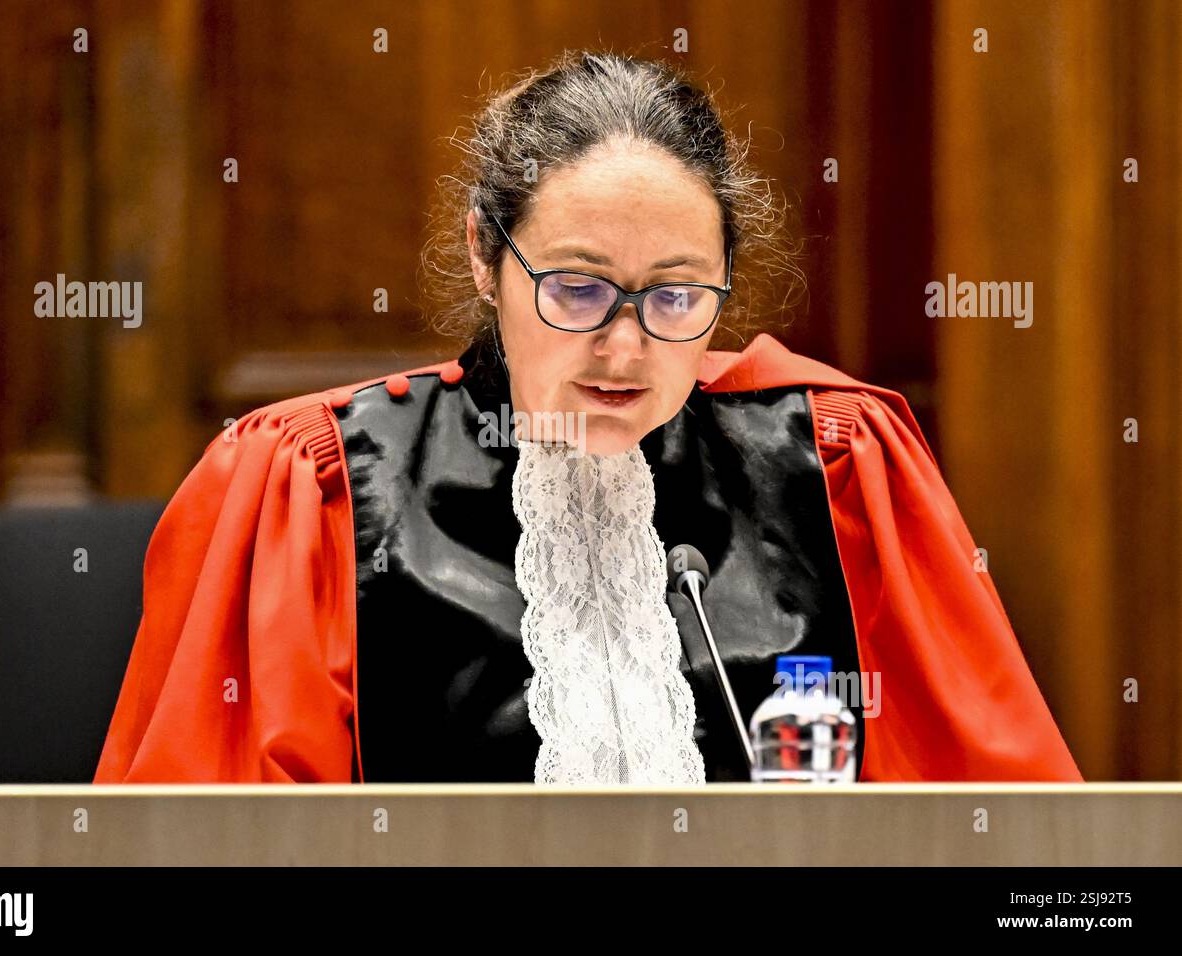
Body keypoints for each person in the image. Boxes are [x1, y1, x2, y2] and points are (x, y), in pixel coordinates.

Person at [93, 50, 1081, 785]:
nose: (624, 349)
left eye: (676, 295)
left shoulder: (836, 464)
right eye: (575, 290)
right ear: (486, 257)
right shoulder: (315, 485)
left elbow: (999, 839)